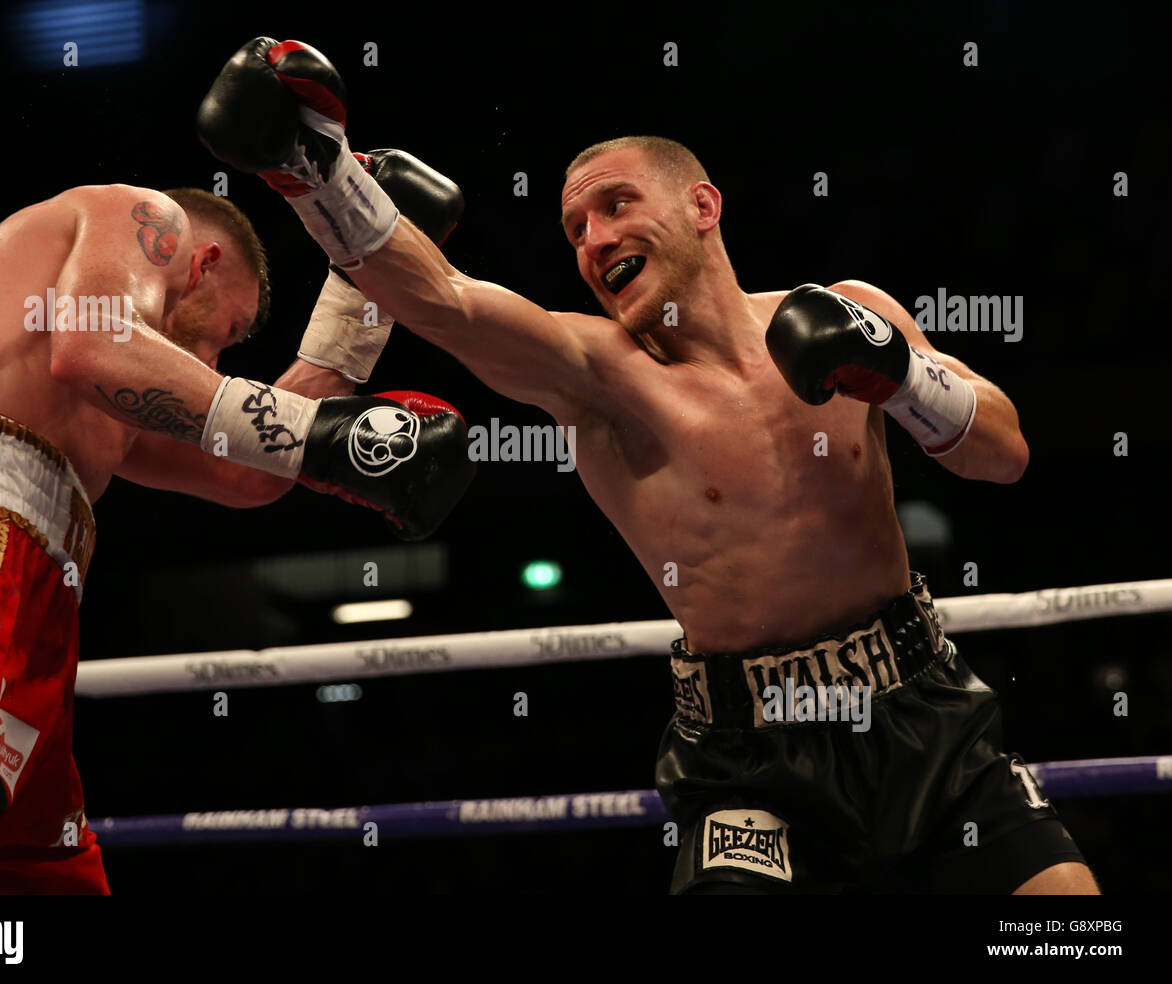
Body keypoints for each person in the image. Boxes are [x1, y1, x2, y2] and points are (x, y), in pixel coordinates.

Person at [196, 37, 1099, 894]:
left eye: (616, 205)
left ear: (702, 207)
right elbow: (446, 301)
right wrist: (316, 171)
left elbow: (1006, 454)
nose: (591, 238)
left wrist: (905, 376)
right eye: (574, 227)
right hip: (751, 757)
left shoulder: (850, 310)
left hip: (926, 713)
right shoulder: (600, 377)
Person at [0, 165, 472, 893]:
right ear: (204, 264)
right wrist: (316, 437)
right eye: (230, 332)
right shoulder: (141, 215)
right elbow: (96, 348)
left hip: (39, 584)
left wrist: (368, 278)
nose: (218, 362)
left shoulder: (115, 404)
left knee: (29, 873)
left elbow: (252, 470)